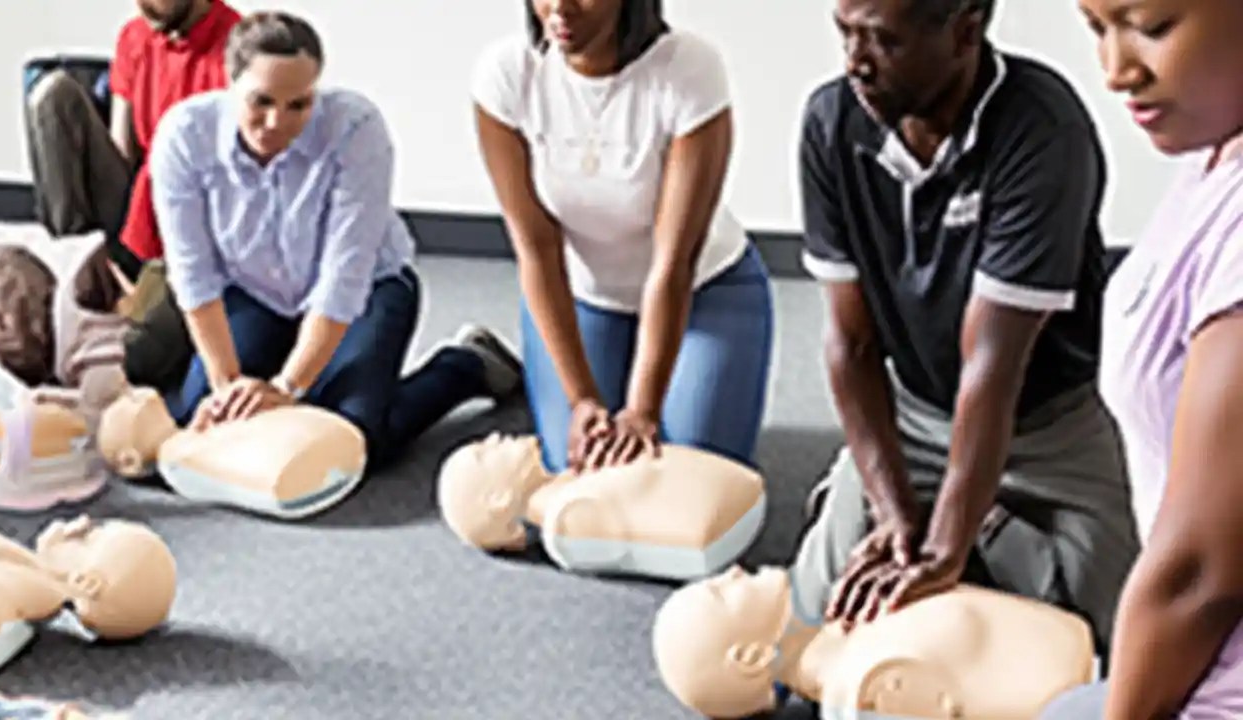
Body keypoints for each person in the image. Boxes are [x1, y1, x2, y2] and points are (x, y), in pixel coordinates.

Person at [791, 0, 1141, 662]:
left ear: (965, 30)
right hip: (917, 416)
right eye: (845, 33)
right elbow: (851, 345)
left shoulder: (1043, 129)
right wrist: (891, 508)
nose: (855, 62)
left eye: (882, 41)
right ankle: (939, 516)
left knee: (1120, 639)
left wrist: (948, 546)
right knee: (812, 620)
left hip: (1051, 426)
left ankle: (985, 524)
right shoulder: (830, 123)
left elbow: (993, 364)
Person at [149, 12, 523, 470]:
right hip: (255, 294)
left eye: (298, 105)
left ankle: (467, 364)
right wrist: (228, 390)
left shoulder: (356, 128)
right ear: (230, 84)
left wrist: (287, 388)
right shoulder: (185, 136)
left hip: (370, 290)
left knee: (351, 440)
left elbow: (342, 281)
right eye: (260, 101)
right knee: (200, 417)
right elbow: (194, 277)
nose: (276, 122)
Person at [1039, 0, 1243, 717]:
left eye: (1152, 28)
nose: (1117, 71)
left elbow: (1200, 577)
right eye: (1097, 28)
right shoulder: (1215, 152)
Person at [471, 0, 775, 475]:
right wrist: (582, 400)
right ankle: (499, 369)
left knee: (682, 473)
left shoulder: (688, 68)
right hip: (583, 298)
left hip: (704, 293)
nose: (560, 8)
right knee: (577, 468)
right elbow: (537, 250)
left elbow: (672, 262)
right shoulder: (508, 74)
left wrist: (643, 410)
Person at [24, 0, 241, 282]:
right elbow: (121, 149)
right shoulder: (135, 35)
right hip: (135, 200)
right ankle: (75, 263)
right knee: (53, 94)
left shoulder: (238, 46)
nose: (145, 9)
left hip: (192, 211)